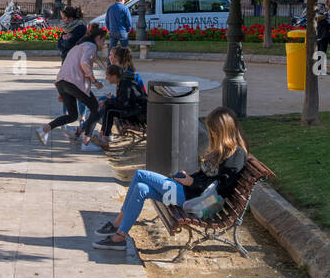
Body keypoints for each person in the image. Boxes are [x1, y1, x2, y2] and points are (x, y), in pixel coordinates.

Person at [94, 107, 248, 251]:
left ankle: (117, 223)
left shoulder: (236, 154)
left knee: (141, 175)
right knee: (141, 188)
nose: (211, 134)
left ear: (222, 131)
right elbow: (207, 176)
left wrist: (192, 182)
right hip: (187, 193)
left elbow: (223, 187)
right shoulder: (222, 151)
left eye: (213, 131)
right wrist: (188, 178)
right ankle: (120, 236)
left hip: (195, 200)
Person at [36, 24, 107, 151]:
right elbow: (84, 63)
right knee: (95, 109)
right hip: (74, 83)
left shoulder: (77, 47)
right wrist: (94, 81)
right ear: (98, 38)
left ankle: (44, 130)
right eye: (103, 40)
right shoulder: (91, 46)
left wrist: (62, 91)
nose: (103, 44)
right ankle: (86, 143)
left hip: (62, 82)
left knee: (73, 115)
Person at [93, 63, 147, 148]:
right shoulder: (123, 81)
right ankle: (104, 135)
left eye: (107, 75)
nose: (106, 78)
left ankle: (105, 139)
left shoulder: (124, 83)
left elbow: (123, 104)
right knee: (109, 107)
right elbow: (124, 101)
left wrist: (107, 101)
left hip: (140, 115)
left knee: (110, 110)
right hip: (136, 110)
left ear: (114, 76)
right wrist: (109, 101)